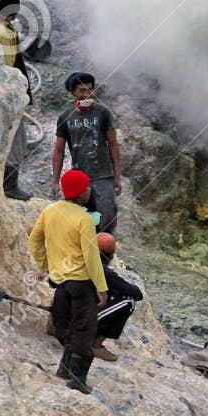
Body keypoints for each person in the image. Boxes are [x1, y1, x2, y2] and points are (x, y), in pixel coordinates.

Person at [28, 168, 107, 394]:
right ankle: (78, 380)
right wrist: (101, 288)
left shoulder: (50, 210)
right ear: (81, 193)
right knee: (84, 329)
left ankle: (64, 369)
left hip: (60, 282)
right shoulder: (84, 218)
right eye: (87, 187)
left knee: (68, 326)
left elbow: (35, 240)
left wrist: (47, 265)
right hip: (82, 283)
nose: (90, 190)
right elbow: (91, 256)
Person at [53, 72, 121, 235]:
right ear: (73, 92)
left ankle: (105, 254)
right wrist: (55, 180)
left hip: (103, 174)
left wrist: (117, 176)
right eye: (82, 91)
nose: (86, 95)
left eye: (90, 90)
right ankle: (89, 251)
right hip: (80, 176)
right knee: (85, 218)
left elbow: (113, 145)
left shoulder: (103, 112)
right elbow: (58, 150)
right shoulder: (66, 117)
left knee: (108, 215)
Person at [0, 0, 35, 200]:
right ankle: (10, 186)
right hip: (7, 93)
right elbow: (9, 64)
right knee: (16, 139)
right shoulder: (1, 31)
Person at [92, 231, 144, 362]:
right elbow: (137, 294)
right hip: (80, 320)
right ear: (110, 256)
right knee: (128, 301)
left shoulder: (76, 260)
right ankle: (95, 345)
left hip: (64, 315)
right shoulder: (104, 272)